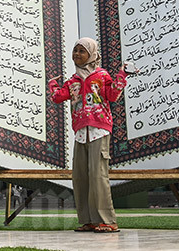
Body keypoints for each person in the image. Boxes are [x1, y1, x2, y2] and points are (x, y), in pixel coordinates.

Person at [49, 37, 130, 233]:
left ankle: (107, 221)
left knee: (98, 176)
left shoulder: (101, 76)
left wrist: (122, 75)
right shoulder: (73, 81)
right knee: (80, 178)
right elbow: (58, 98)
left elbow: (112, 95)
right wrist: (52, 84)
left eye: (81, 51)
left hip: (99, 131)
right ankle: (88, 220)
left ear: (91, 54)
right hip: (80, 133)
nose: (76, 54)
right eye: (75, 50)